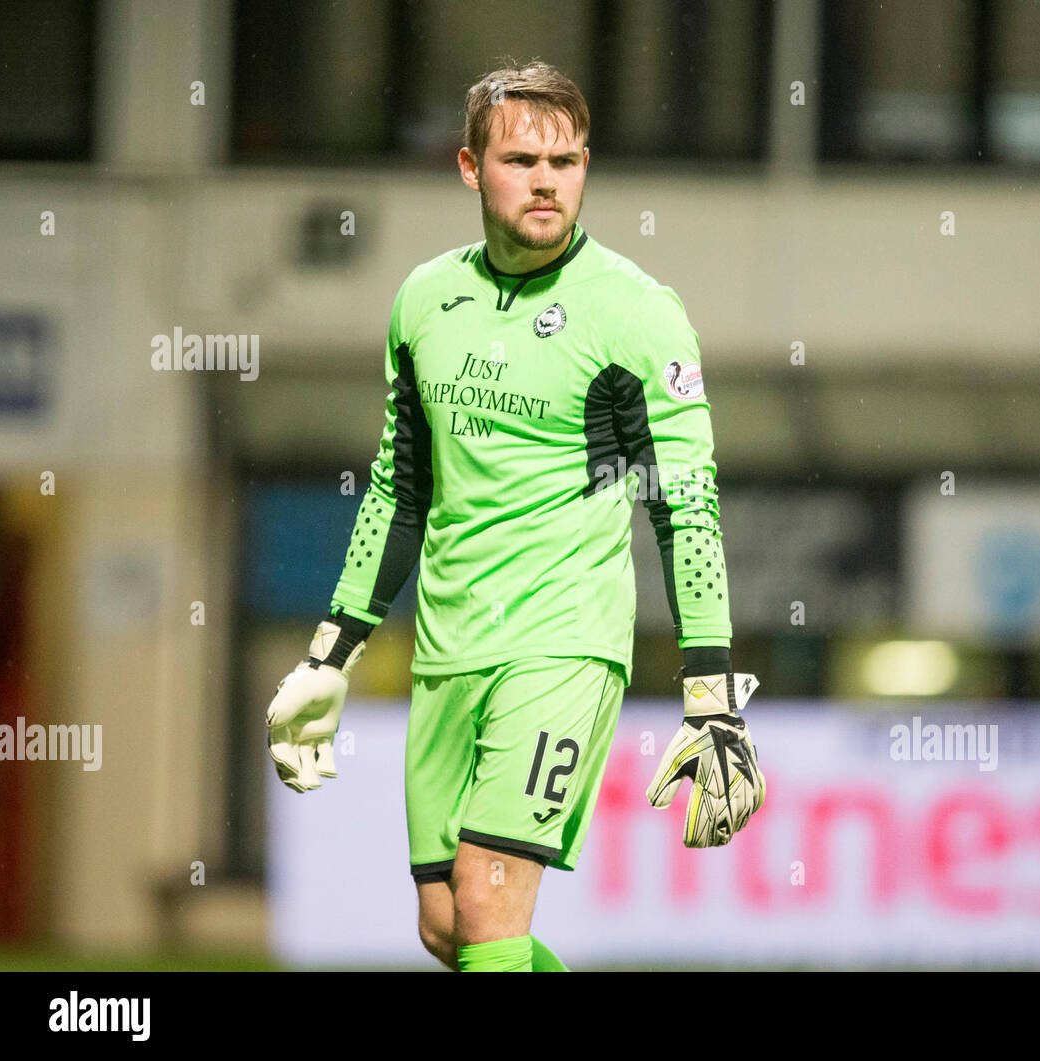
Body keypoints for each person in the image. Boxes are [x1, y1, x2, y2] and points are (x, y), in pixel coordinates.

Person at [263, 60, 765, 972]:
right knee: (447, 926)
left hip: (564, 643)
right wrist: (330, 651)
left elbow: (687, 503)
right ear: (469, 167)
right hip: (449, 647)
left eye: (567, 161)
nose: (546, 180)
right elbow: (398, 488)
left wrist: (711, 693)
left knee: (491, 902)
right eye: (523, 159)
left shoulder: (637, 313)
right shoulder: (424, 301)